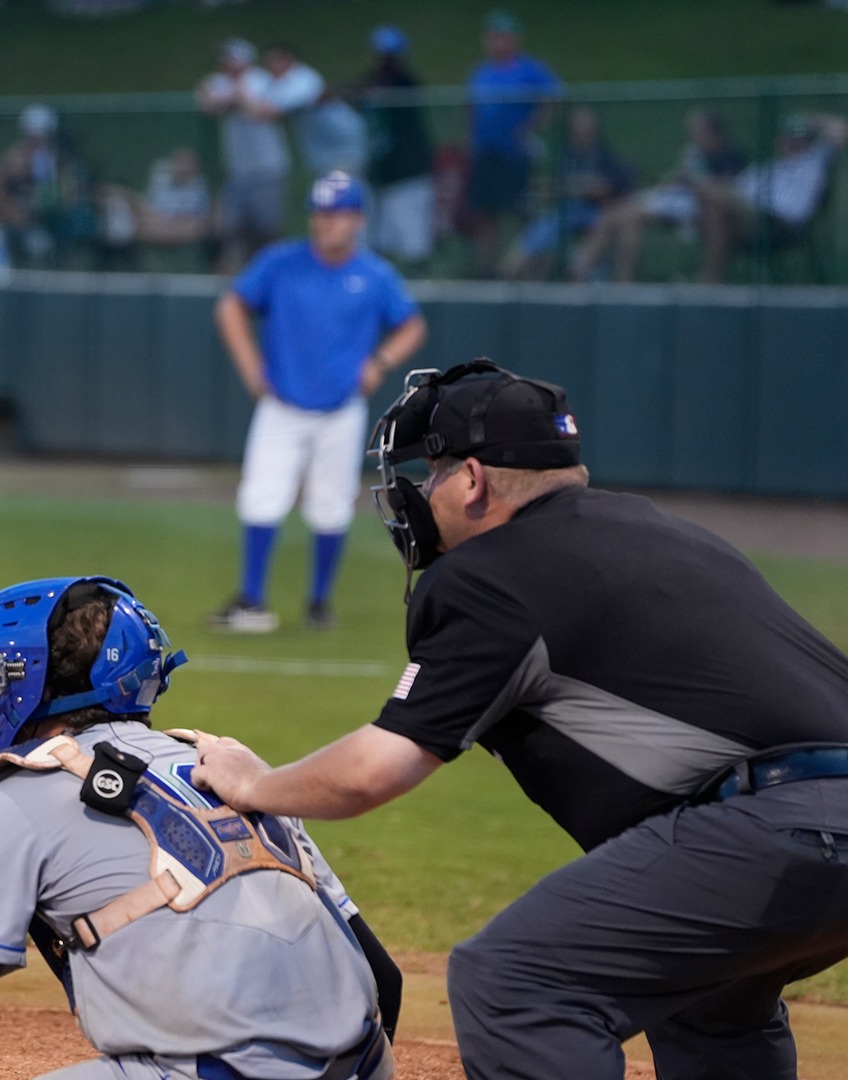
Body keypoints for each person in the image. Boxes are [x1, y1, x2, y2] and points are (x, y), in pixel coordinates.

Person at [191, 359, 848, 1079]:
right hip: (800, 824)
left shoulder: (492, 574)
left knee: (512, 984)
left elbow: (377, 769)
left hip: (781, 826)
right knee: (710, 1002)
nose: (421, 491)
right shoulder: (661, 530)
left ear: (472, 479)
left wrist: (254, 782)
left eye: (433, 470)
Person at [0, 576, 401, 1080]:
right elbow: (386, 979)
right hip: (363, 1063)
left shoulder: (10, 799)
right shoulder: (236, 769)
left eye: (3, 676)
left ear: (33, 684)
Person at [211, 173, 428, 633]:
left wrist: (379, 362)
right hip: (283, 403)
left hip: (340, 407)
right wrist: (252, 370)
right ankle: (251, 600)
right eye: (319, 213)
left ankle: (319, 604)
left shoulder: (373, 274)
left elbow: (412, 325)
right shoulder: (282, 262)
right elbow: (230, 306)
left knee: (331, 503)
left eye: (335, 214)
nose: (325, 223)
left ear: (357, 219)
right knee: (261, 498)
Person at [568, 108, 748, 283]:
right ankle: (614, 280)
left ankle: (583, 272)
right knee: (620, 219)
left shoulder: (729, 155)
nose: (692, 136)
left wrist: (694, 182)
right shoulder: (694, 153)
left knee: (623, 214)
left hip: (696, 205)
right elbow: (676, 179)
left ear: (710, 131)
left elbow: (726, 188)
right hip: (675, 200)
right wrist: (674, 179)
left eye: (696, 130)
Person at [462, 10, 562, 276]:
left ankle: (523, 265)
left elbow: (553, 98)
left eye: (504, 37)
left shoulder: (529, 69)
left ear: (515, 40)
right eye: (494, 37)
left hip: (514, 152)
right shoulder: (481, 72)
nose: (498, 42)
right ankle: (487, 266)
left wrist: (530, 126)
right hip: (485, 151)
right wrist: (470, 140)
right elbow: (471, 108)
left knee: (519, 210)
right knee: (485, 211)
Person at [697, 112, 847, 283]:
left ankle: (709, 281)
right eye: (787, 137)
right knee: (714, 212)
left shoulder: (814, 161)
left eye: (796, 138)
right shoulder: (772, 168)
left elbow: (841, 130)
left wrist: (810, 122)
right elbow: (739, 186)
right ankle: (710, 283)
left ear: (806, 141)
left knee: (712, 193)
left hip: (783, 224)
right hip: (754, 219)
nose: (790, 142)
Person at [500, 106, 635, 281]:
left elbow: (606, 187)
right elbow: (551, 185)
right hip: (568, 210)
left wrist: (576, 187)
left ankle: (577, 275)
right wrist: (563, 188)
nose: (581, 134)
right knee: (542, 229)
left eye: (586, 129)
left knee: (604, 225)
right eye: (577, 129)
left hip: (596, 212)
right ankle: (505, 273)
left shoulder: (603, 156)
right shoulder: (565, 155)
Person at [197, 39, 293, 273]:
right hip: (238, 170)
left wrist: (236, 98)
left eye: (232, 58)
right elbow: (208, 104)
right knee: (232, 227)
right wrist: (233, 99)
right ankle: (245, 275)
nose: (227, 63)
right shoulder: (218, 81)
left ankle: (274, 271)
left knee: (267, 228)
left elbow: (258, 112)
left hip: (267, 167)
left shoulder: (260, 80)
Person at [352, 25, 435, 268]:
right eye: (381, 53)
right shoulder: (374, 77)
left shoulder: (405, 81)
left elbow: (382, 93)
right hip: (384, 172)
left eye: (389, 54)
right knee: (379, 236)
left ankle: (419, 278)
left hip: (408, 171)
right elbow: (360, 91)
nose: (384, 58)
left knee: (412, 235)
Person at [262, 44, 368, 179]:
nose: (269, 66)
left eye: (274, 60)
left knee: (343, 193)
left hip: (343, 147)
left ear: (288, 60)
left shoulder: (303, 79)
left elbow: (269, 113)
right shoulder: (278, 84)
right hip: (324, 152)